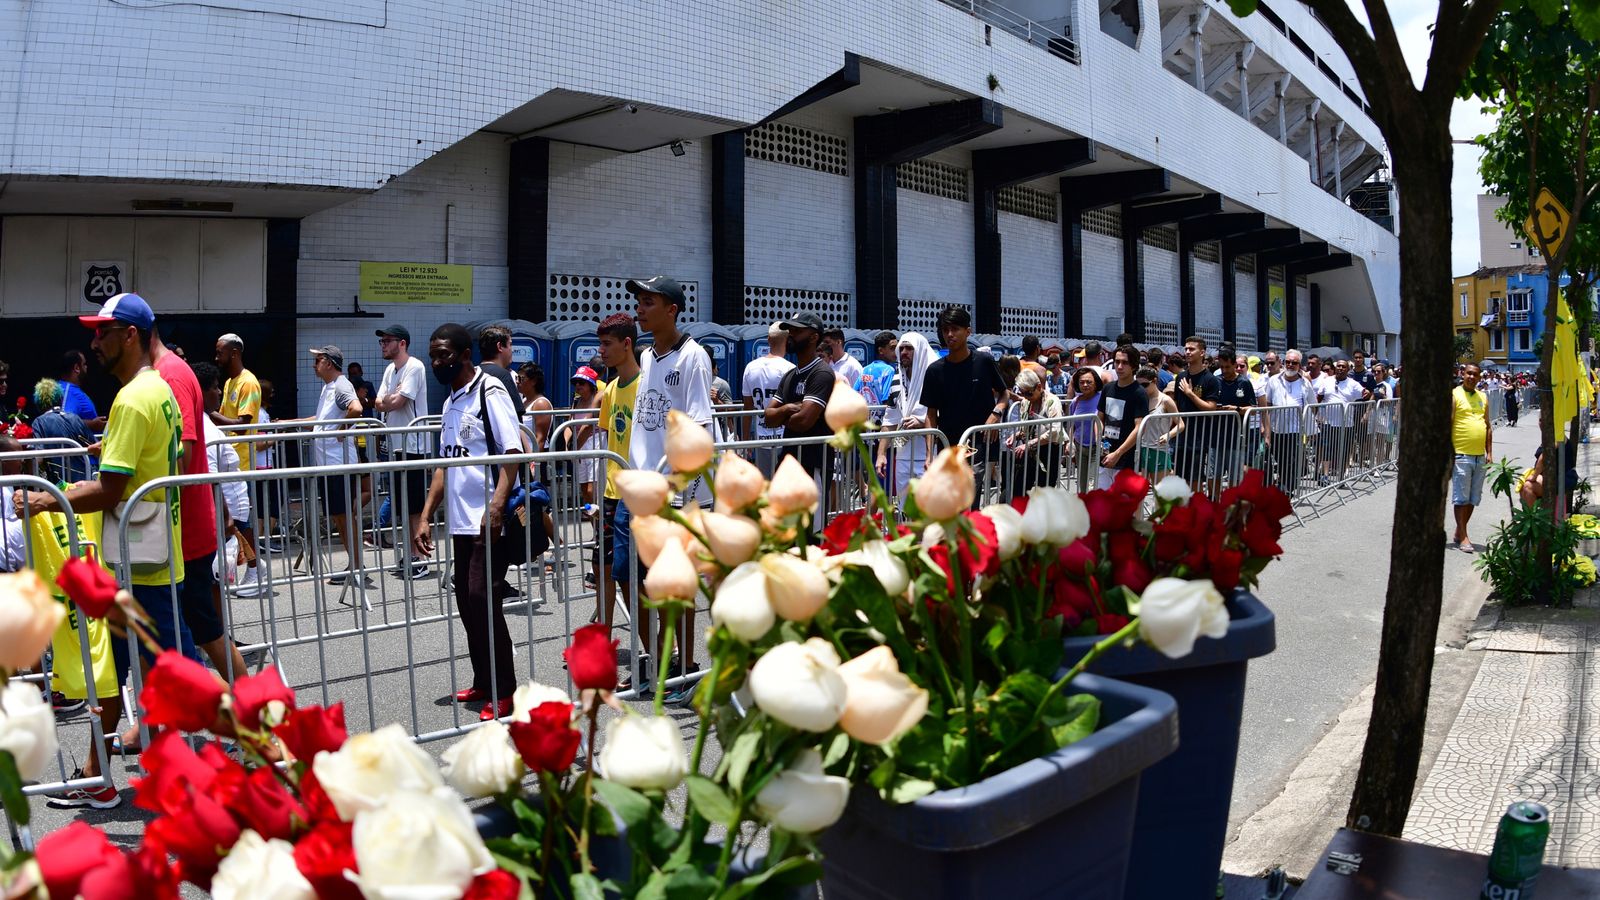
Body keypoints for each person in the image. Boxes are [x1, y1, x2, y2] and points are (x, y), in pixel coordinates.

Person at [20, 293, 187, 809]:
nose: (95, 342)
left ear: (130, 335)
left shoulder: (132, 399)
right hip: (153, 557)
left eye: (103, 332)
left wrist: (47, 499)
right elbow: (154, 457)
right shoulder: (157, 389)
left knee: (137, 676)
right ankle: (102, 773)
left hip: (138, 565)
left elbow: (112, 490)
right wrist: (108, 448)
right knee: (116, 671)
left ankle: (167, 783)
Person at [415, 323, 522, 721]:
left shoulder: (488, 392)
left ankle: (505, 690)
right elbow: (446, 465)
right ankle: (483, 679)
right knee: (466, 603)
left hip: (487, 520)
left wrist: (496, 506)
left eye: (443, 355)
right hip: (460, 523)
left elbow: (513, 452)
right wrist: (426, 515)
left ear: (463, 355)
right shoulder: (449, 402)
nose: (437, 362)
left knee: (483, 600)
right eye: (433, 356)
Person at [625, 275, 714, 703]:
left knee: (680, 583)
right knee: (653, 584)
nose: (640, 310)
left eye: (647, 302)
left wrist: (679, 489)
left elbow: (697, 426)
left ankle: (688, 669)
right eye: (639, 303)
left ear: (672, 309)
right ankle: (666, 662)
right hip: (647, 489)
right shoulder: (647, 356)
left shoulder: (692, 357)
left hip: (679, 491)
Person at [299, 345, 365, 583]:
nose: (314, 365)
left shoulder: (340, 384)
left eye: (317, 360)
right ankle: (355, 565)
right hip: (329, 463)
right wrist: (287, 422)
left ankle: (357, 567)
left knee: (345, 516)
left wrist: (342, 428)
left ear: (328, 362)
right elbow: (320, 420)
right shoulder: (328, 387)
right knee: (340, 517)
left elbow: (356, 408)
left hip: (339, 463)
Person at [922, 305, 1008, 486]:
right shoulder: (934, 371)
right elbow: (931, 414)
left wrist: (995, 414)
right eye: (945, 330)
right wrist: (929, 454)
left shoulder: (984, 361)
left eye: (955, 329)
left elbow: (1004, 393)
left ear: (968, 331)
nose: (950, 334)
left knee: (971, 493)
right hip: (948, 446)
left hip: (980, 443)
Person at [372, 324, 431, 578]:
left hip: (413, 445)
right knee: (403, 505)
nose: (384, 345)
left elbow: (398, 401)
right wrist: (388, 400)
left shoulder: (415, 366)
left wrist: (389, 400)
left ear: (402, 343)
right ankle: (411, 553)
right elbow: (378, 403)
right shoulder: (389, 369)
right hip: (395, 445)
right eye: (382, 341)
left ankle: (420, 559)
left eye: (388, 340)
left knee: (415, 506)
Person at [595, 314, 640, 633]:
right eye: (600, 343)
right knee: (604, 568)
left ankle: (659, 648)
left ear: (627, 344)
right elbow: (610, 436)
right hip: (611, 492)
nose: (601, 351)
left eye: (607, 344)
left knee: (631, 576)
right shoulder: (610, 389)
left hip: (637, 494)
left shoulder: (645, 386)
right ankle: (604, 635)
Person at [766, 311, 834, 494]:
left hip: (813, 464)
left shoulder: (822, 373)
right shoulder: (790, 375)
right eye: (790, 330)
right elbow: (768, 418)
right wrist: (788, 408)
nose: (791, 335)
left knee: (813, 523)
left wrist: (782, 416)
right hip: (788, 462)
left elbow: (803, 421)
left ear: (814, 337)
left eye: (797, 331)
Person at [876, 331, 938, 498]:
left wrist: (921, 423)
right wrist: (881, 454)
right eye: (901, 348)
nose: (904, 352)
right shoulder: (897, 379)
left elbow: (946, 414)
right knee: (905, 511)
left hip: (931, 457)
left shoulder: (936, 375)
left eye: (909, 348)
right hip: (903, 456)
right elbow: (890, 420)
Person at [1167, 335, 1221, 486]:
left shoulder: (1210, 379)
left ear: (1202, 353)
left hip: (1199, 437)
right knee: (1179, 476)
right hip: (1180, 435)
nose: (1188, 352)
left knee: (1195, 479)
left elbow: (1211, 408)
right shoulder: (1181, 377)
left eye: (1192, 349)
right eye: (1186, 349)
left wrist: (1190, 394)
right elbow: (1176, 404)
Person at [741, 322, 795, 476]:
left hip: (760, 437)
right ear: (787, 341)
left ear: (768, 339)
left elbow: (747, 408)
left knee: (765, 486)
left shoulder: (751, 367)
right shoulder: (789, 368)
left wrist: (746, 442)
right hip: (784, 437)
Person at [1451, 363, 1492, 553]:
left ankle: (1460, 531)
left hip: (1479, 457)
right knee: (1461, 498)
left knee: (1473, 498)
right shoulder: (1454, 394)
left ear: (1479, 378)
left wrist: (1489, 452)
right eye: (1468, 373)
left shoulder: (1483, 397)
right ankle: (1464, 536)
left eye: (1475, 375)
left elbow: (1488, 425)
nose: (1471, 377)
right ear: (1462, 374)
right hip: (1461, 454)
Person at [1097, 345, 1148, 489]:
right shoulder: (1108, 388)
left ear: (1134, 366)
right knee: (1103, 501)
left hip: (1126, 459)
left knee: (1122, 505)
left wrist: (1118, 453)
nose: (1119, 366)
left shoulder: (1139, 393)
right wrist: (1099, 438)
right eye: (1117, 361)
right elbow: (1099, 417)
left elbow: (1139, 427)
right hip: (1105, 454)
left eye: (1124, 362)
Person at [1007, 368, 1064, 495]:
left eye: (1028, 393)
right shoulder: (1026, 402)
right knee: (1017, 491)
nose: (1026, 397)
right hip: (1029, 452)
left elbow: (1055, 430)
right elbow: (1025, 427)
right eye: (1023, 394)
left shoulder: (1052, 401)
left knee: (1045, 494)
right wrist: (1015, 435)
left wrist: (1030, 443)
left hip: (1048, 451)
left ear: (1039, 387)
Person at [1263, 349, 1311, 496]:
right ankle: (1278, 486)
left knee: (1292, 461)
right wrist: (1265, 428)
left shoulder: (1305, 384)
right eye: (1288, 362)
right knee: (1278, 460)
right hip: (1276, 429)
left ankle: (1286, 488)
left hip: (1296, 430)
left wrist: (1308, 427)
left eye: (1294, 363)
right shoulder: (1273, 381)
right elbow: (1267, 405)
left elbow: (1312, 407)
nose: (1290, 365)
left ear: (1299, 366)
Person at [29, 379, 96, 484]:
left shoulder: (39, 422)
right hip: (84, 483)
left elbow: (38, 459)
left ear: (38, 403)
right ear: (61, 398)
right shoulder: (75, 418)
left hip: (58, 487)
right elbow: (95, 446)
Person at [1213, 346, 1257, 490]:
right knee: (1214, 475)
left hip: (1237, 438)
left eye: (1227, 367)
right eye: (1222, 367)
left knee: (1235, 476)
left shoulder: (1244, 383)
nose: (1224, 370)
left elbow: (1253, 409)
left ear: (1234, 365)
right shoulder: (1216, 381)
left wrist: (1236, 409)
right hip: (1216, 436)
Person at [1137, 367, 1181, 481]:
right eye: (1138, 385)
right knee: (1138, 490)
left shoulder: (1165, 400)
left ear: (1155, 381)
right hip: (1140, 448)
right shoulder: (1140, 398)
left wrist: (1168, 435)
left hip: (1159, 449)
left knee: (1160, 492)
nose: (1141, 388)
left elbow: (1181, 424)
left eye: (1145, 384)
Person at [1065, 367, 1103, 489]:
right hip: (1080, 447)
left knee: (1092, 485)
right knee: (1082, 485)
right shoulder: (1075, 401)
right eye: (1082, 382)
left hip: (1096, 448)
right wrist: (1069, 442)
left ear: (1096, 382)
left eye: (1089, 382)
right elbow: (1072, 424)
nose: (1085, 385)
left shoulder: (1102, 399)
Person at [570, 365, 602, 509]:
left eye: (581, 382)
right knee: (585, 492)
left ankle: (602, 525)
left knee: (592, 490)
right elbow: (569, 424)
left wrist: (574, 446)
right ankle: (597, 528)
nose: (577, 385)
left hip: (595, 444)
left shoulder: (598, 400)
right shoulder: (576, 402)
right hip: (579, 447)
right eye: (575, 382)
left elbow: (587, 426)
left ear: (591, 385)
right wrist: (567, 445)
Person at [58, 349, 106, 431]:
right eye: (84, 364)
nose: (86, 367)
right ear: (77, 368)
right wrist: (93, 424)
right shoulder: (68, 391)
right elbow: (64, 422)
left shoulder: (68, 389)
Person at [857, 330, 899, 413]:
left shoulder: (864, 370)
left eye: (897, 348)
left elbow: (854, 393)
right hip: (881, 421)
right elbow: (887, 400)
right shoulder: (889, 370)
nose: (896, 352)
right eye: (892, 348)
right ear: (881, 350)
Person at [516, 362, 552, 452]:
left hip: (534, 457)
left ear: (534, 381)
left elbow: (540, 438)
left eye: (521, 378)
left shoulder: (541, 404)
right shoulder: (523, 401)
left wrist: (533, 463)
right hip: (524, 455)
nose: (517, 381)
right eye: (517, 378)